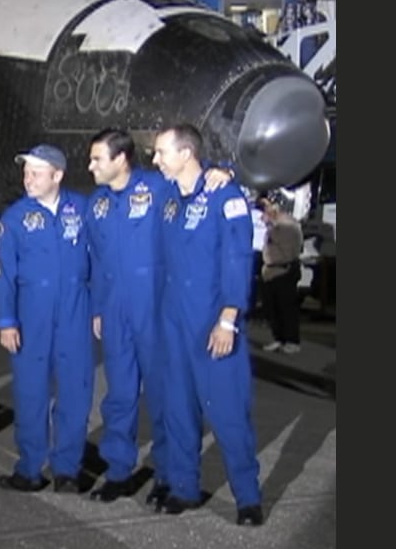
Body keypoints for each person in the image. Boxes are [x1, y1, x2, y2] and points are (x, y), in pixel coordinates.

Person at [83, 128, 229, 505]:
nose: (90, 166)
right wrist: (99, 307)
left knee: (168, 396)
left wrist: (221, 171)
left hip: (156, 307)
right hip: (115, 311)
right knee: (119, 395)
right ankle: (118, 471)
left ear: (121, 159)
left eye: (97, 158)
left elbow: (191, 176)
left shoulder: (157, 187)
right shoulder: (96, 203)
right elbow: (95, 261)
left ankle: (169, 474)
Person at [151, 123, 264, 526]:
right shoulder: (166, 197)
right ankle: (184, 487)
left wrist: (229, 318)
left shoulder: (224, 196)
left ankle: (248, 497)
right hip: (173, 322)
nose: (155, 159)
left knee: (228, 412)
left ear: (186, 154)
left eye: (161, 151)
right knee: (178, 409)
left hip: (212, 321)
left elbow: (238, 259)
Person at [0, 144, 93, 494]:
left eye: (36, 172)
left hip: (74, 314)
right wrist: (6, 321)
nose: (28, 179)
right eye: (25, 172)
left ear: (57, 175)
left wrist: (99, 311)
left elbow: (101, 260)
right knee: (30, 392)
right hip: (31, 316)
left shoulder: (83, 210)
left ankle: (67, 468)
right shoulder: (14, 218)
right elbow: (1, 274)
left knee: (75, 393)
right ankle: (30, 468)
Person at [259, 193, 304, 354]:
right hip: (270, 271)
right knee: (272, 308)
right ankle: (278, 338)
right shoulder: (273, 225)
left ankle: (292, 340)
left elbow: (288, 249)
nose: (263, 212)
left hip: (284, 270)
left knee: (286, 307)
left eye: (266, 207)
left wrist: (272, 227)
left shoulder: (288, 225)